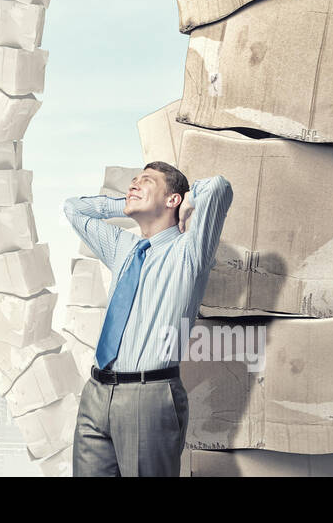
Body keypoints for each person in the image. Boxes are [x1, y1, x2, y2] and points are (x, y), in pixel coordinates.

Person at [62, 161, 232, 477]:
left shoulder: (189, 252)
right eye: (134, 180)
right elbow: (73, 208)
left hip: (148, 395)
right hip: (96, 393)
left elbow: (219, 187)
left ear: (173, 199)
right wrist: (125, 205)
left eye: (147, 180)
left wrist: (189, 203)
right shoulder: (123, 247)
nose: (134, 184)